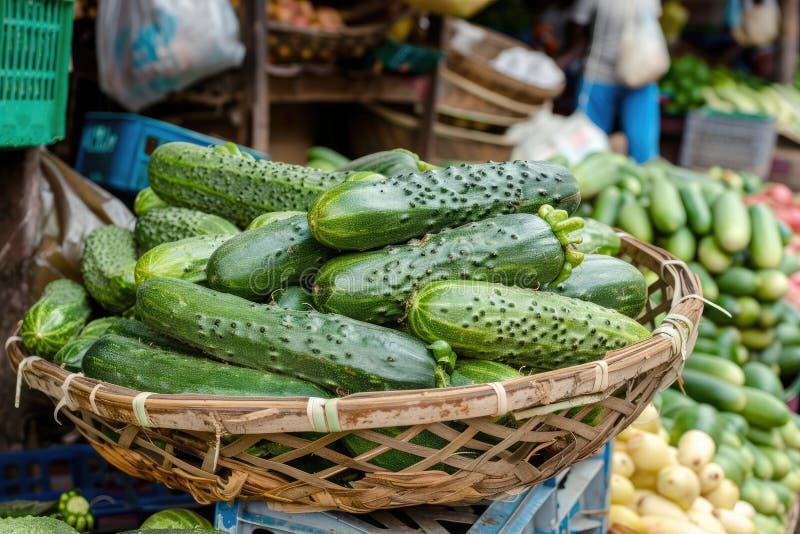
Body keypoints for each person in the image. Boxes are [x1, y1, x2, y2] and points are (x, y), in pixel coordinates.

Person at [558, 0, 663, 163]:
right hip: (612, 75)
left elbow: (578, 30)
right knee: (587, 145)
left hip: (636, 76)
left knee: (640, 151)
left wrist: (567, 57)